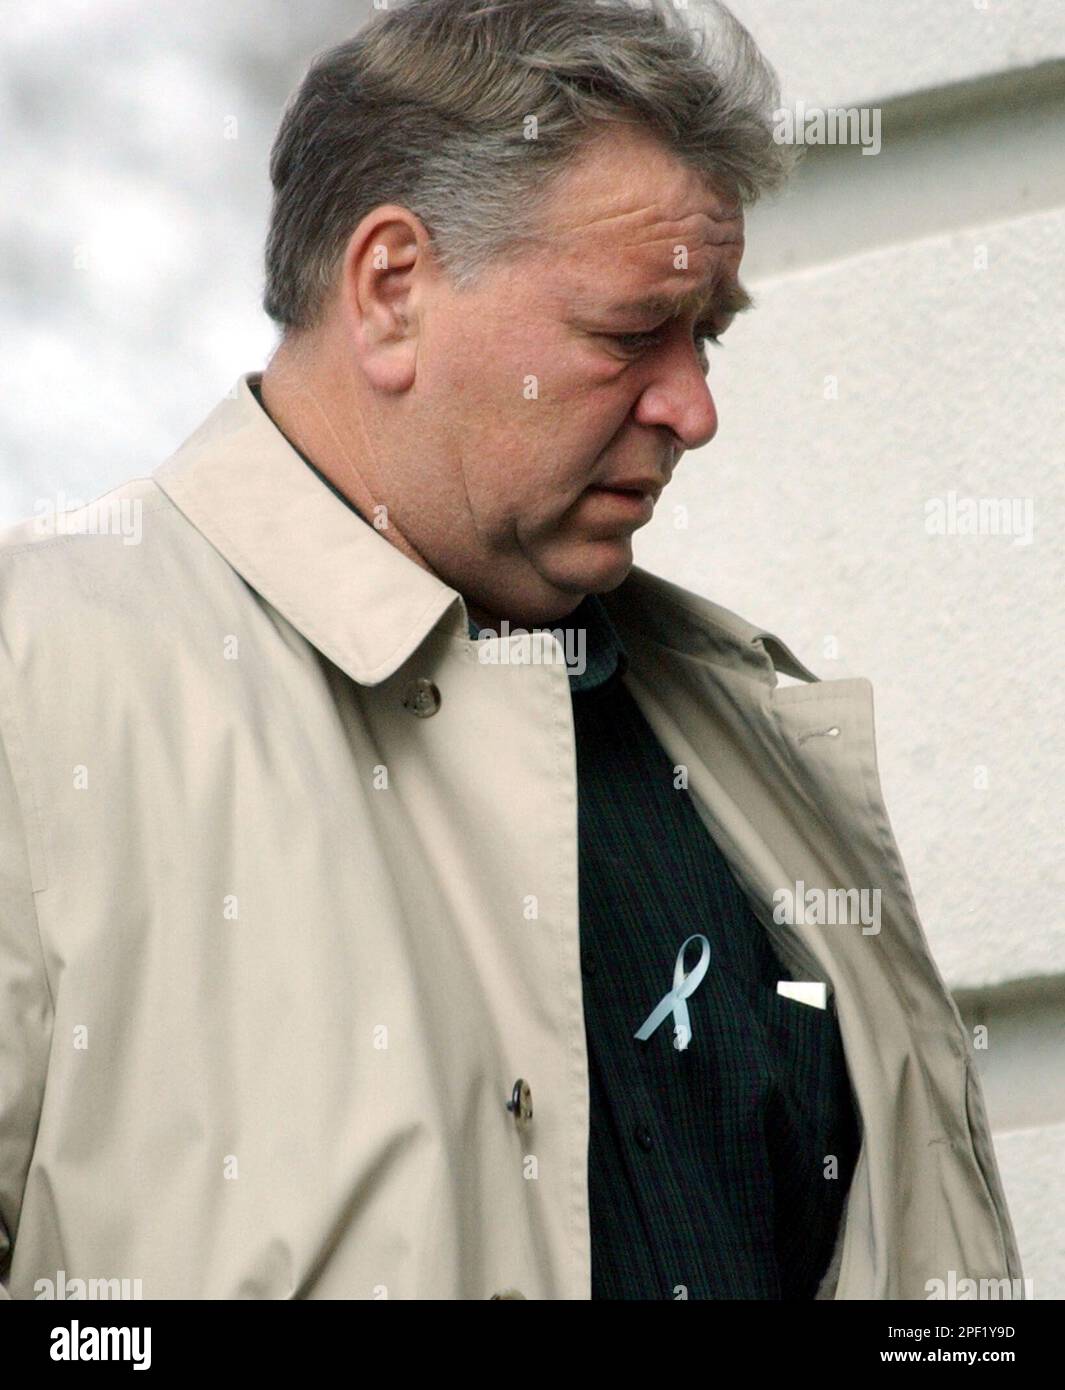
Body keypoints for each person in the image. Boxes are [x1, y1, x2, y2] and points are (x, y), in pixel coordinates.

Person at [0, 0, 1020, 1300]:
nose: (694, 410)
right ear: (389, 292)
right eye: (624, 332)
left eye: (703, 333)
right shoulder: (34, 687)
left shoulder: (765, 746)